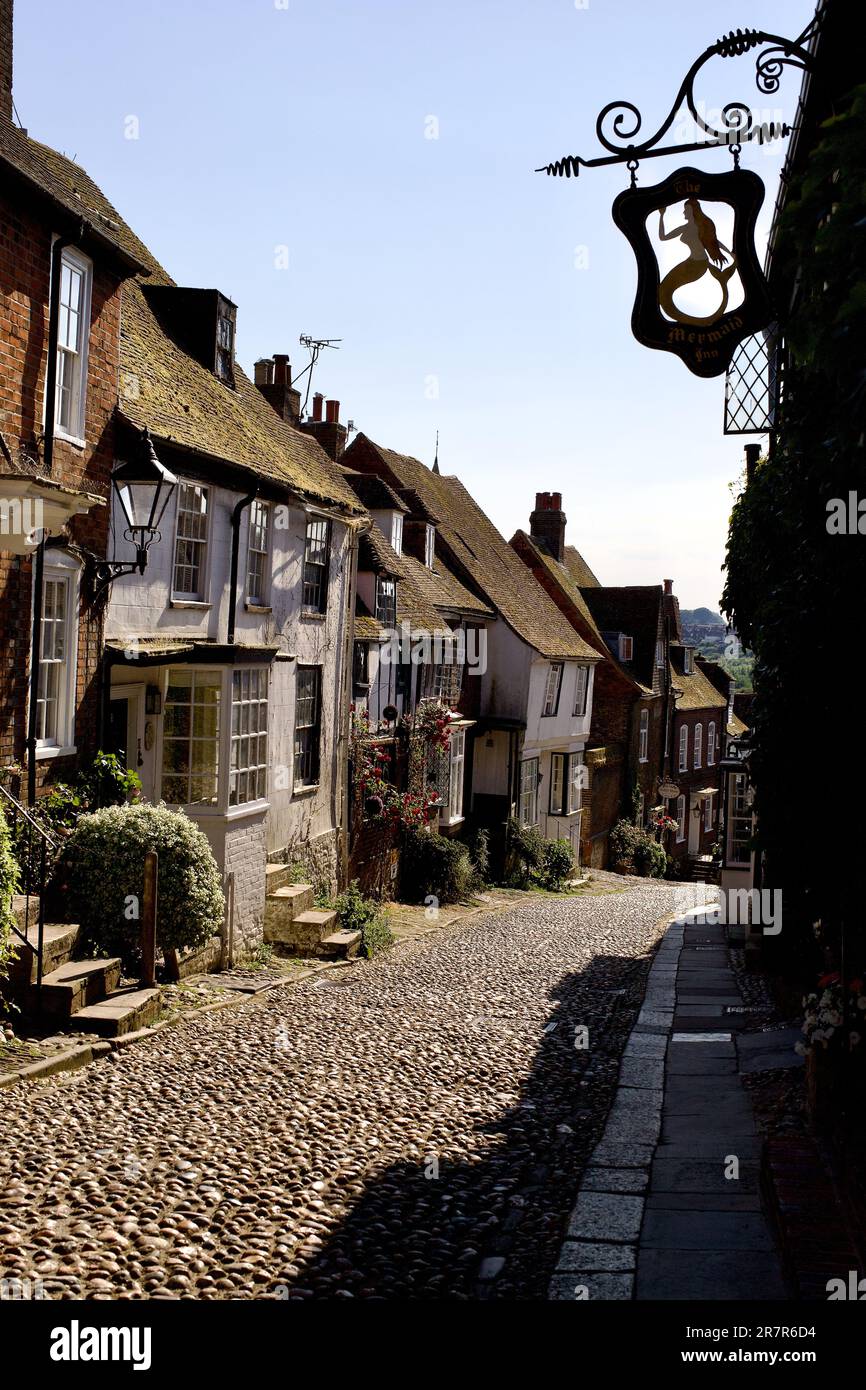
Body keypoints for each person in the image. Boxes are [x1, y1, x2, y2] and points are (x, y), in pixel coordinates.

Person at [657, 198, 737, 325]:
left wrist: (730, 253)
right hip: (692, 261)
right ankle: (697, 322)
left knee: (664, 292)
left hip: (698, 265)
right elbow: (663, 237)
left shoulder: (702, 226)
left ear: (693, 211)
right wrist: (662, 215)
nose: (683, 212)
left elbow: (714, 242)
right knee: (663, 292)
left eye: (686, 210)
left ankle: (702, 321)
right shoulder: (684, 228)